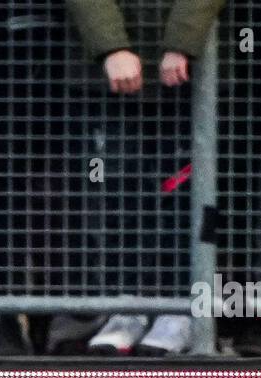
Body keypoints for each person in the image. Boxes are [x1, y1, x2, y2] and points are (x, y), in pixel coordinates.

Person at [62, 0, 225, 357]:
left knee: (184, 193)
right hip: (108, 73)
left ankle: (181, 310)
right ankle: (129, 306)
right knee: (120, 190)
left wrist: (182, 41)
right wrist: (112, 46)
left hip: (191, 68)